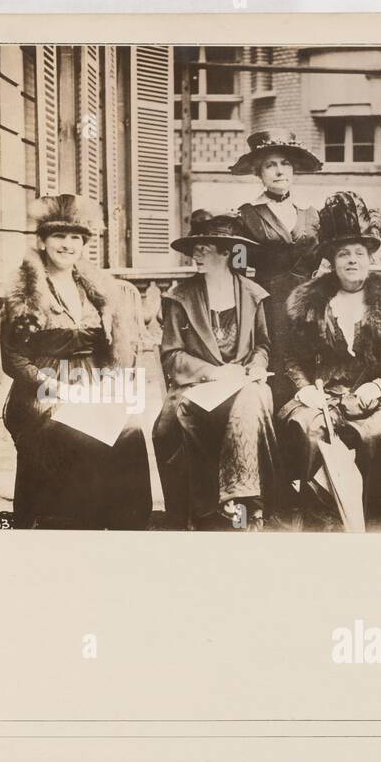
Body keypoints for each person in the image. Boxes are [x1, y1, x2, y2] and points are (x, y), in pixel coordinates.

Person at [0, 194, 151, 530]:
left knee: (129, 428)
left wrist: (110, 382)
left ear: (84, 245)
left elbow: (110, 350)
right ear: (42, 240)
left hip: (91, 381)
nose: (66, 245)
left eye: (75, 238)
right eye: (58, 236)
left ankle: (126, 527)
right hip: (41, 388)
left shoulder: (94, 288)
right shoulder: (24, 289)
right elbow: (12, 359)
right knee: (77, 430)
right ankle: (71, 524)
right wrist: (52, 385)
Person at [278, 191, 381, 527]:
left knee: (377, 431)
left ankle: (369, 518)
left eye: (360, 253)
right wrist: (304, 390)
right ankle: (318, 515)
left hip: (374, 393)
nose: (352, 260)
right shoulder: (309, 300)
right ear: (331, 260)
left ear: (371, 257)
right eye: (344, 254)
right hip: (324, 391)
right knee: (306, 426)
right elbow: (291, 358)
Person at [153, 211, 278, 530]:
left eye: (205, 247)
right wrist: (215, 373)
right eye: (195, 248)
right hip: (195, 385)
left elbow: (263, 345)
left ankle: (242, 503)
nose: (197, 254)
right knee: (184, 415)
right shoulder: (178, 297)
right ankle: (209, 510)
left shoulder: (253, 294)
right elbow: (172, 356)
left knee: (250, 401)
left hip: (246, 382)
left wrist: (255, 366)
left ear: (226, 252)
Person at [231, 130, 323, 411]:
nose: (279, 171)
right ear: (259, 173)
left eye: (284, 163)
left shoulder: (311, 212)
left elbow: (322, 261)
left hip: (307, 307)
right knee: (275, 373)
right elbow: (237, 271)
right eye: (270, 165)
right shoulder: (246, 215)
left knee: (308, 370)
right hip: (268, 307)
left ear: (293, 169)